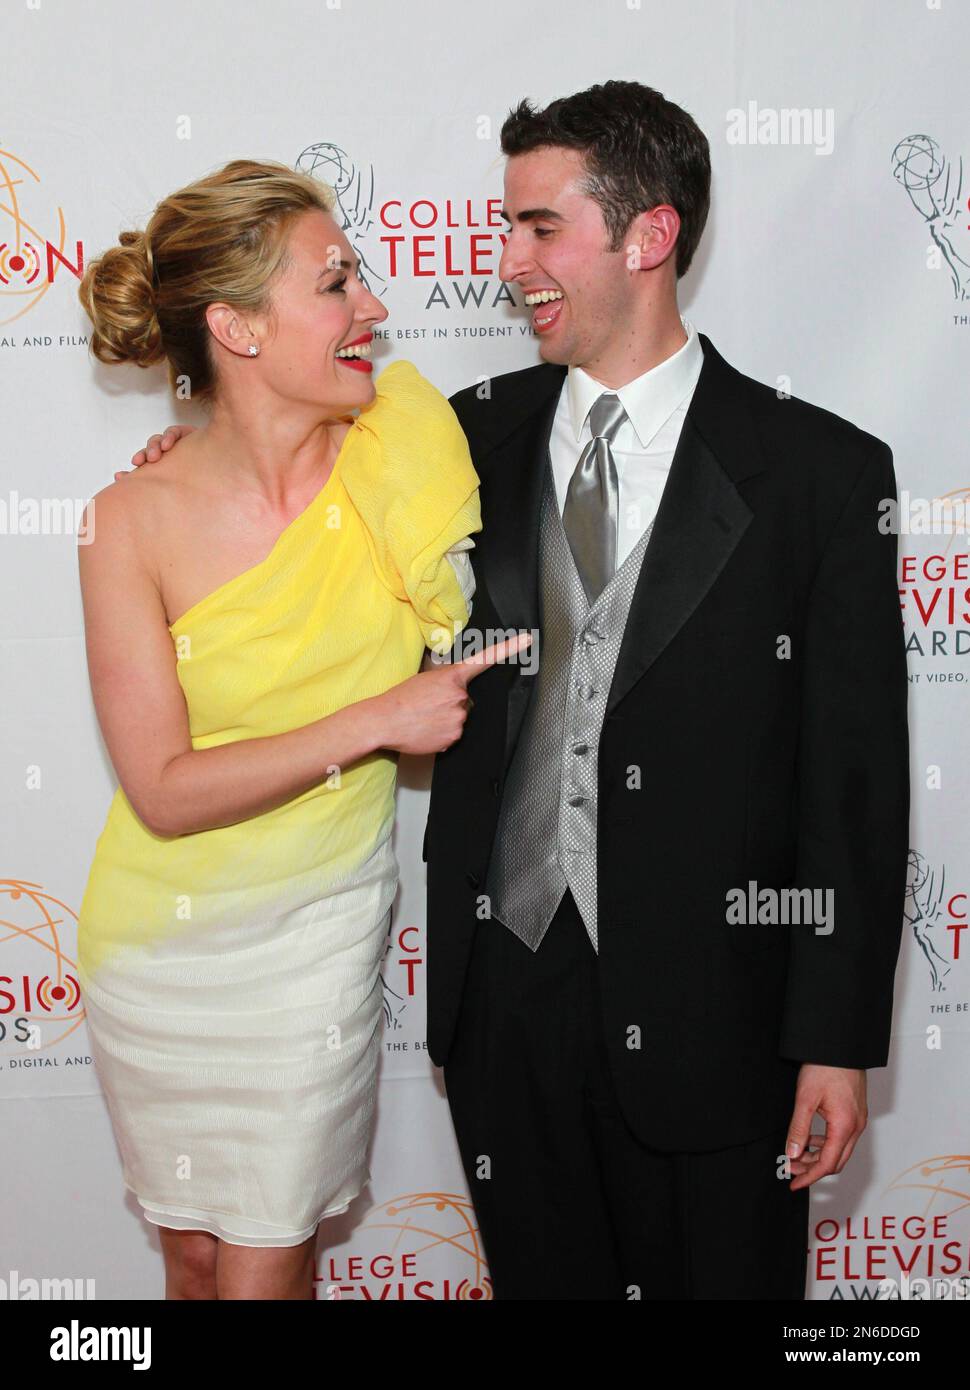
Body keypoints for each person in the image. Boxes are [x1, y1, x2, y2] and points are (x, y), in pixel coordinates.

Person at [127, 83, 911, 1301]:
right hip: (507, 1005)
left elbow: (852, 784)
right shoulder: (452, 435)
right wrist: (183, 450)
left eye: (539, 228)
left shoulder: (821, 472)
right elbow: (273, 453)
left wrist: (835, 1042)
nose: (506, 264)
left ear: (647, 236)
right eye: (504, 229)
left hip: (723, 1012)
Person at [76, 158, 526, 1301]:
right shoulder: (127, 518)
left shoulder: (402, 456)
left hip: (314, 944)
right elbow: (165, 789)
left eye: (361, 276)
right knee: (190, 1250)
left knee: (268, 1251)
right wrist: (375, 718)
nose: (372, 305)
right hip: (158, 950)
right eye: (335, 284)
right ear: (233, 326)